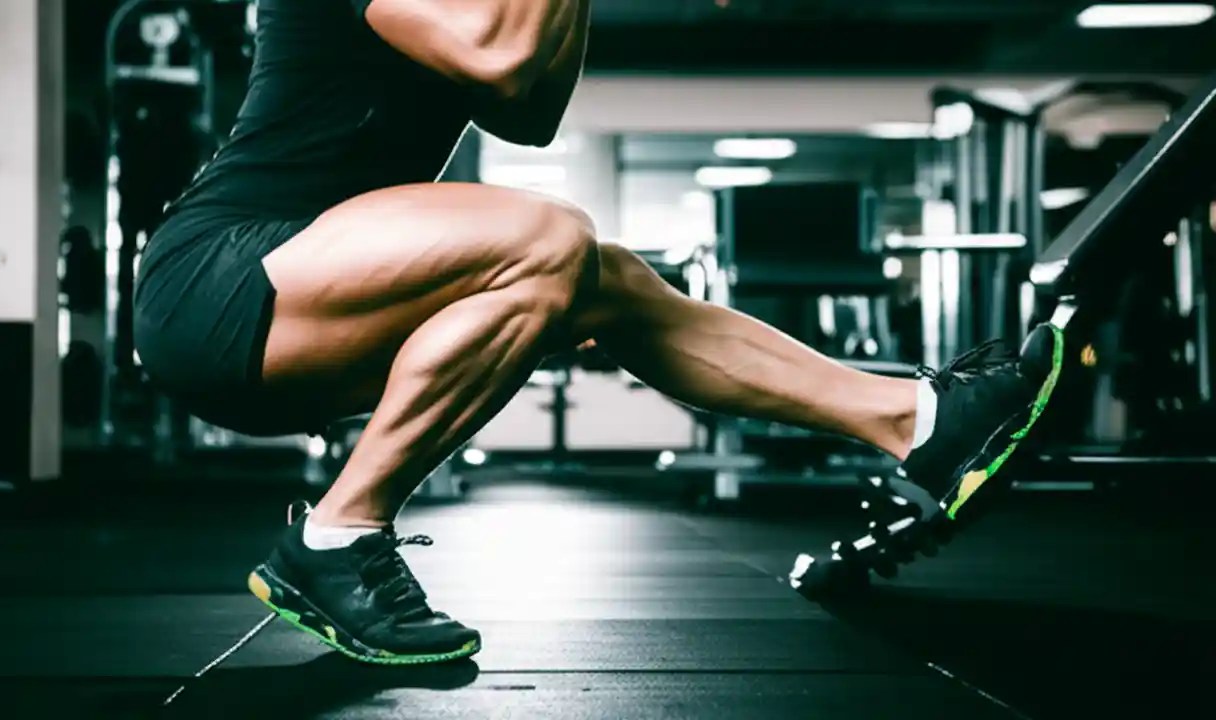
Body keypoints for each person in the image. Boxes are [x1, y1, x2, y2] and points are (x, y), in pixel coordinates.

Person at [133, 0, 1063, 666]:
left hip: (317, 297)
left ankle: (915, 418)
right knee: (551, 239)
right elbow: (503, 60)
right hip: (225, 279)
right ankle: (337, 537)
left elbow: (529, 109)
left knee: (604, 276)